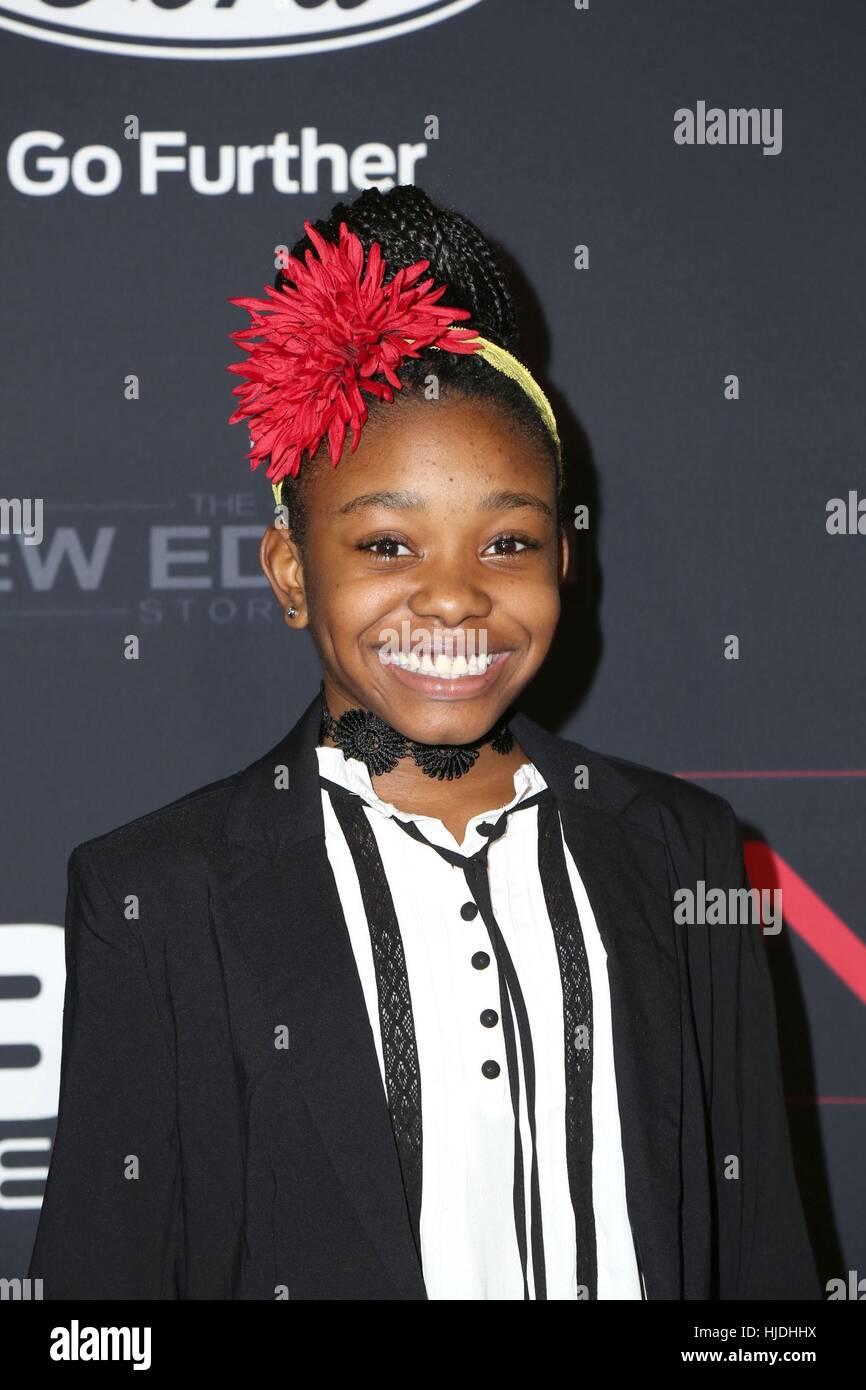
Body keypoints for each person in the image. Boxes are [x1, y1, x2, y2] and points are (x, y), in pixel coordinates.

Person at [29, 184, 819, 1301]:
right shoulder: (159, 893)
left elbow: (760, 1266)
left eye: (505, 540)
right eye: (388, 543)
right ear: (293, 572)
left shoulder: (679, 849)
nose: (452, 600)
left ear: (564, 564)